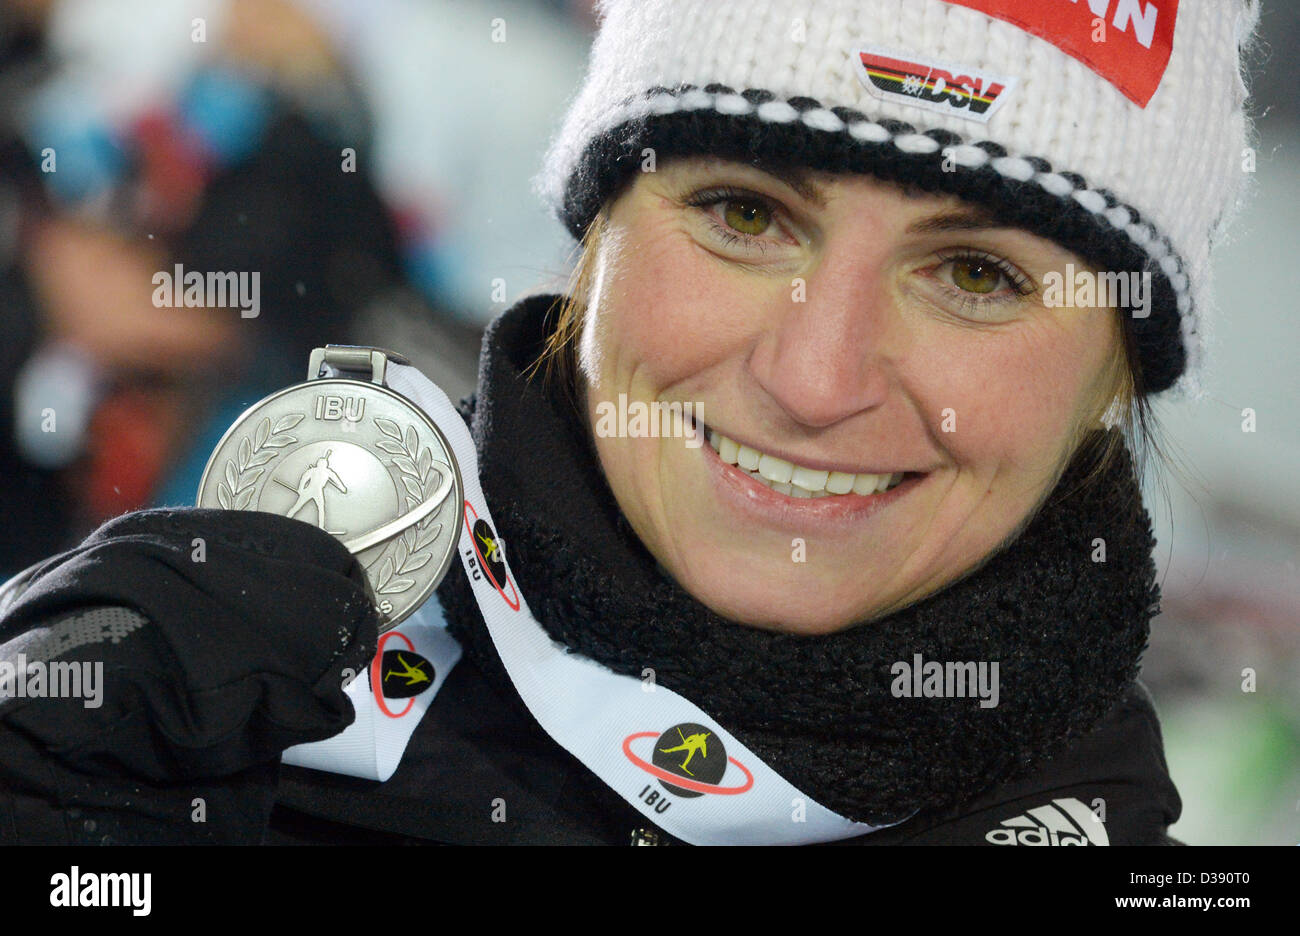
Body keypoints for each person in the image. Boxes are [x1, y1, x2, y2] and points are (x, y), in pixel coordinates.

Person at [0, 0, 1257, 845]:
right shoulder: (208, 689)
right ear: (591, 241)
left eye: (975, 276)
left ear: (1117, 377)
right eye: (746, 215)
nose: (817, 381)